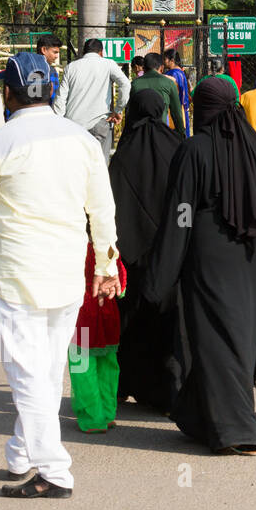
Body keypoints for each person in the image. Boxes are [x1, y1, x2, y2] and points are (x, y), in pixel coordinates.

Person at [0, 52, 120, 498]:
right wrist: (105, 265)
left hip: (18, 276)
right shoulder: (79, 139)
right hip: (67, 275)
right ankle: (22, 454)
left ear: (9, 93)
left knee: (25, 371)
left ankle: (55, 470)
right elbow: (101, 208)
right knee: (43, 369)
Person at [142, 77, 256, 454]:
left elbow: (182, 211)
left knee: (215, 338)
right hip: (254, 255)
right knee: (237, 333)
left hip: (210, 256)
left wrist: (167, 262)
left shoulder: (195, 149)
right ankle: (199, 417)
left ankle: (237, 431)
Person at [109, 87, 185, 413]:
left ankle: (124, 385)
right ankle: (168, 391)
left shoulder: (123, 154)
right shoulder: (178, 148)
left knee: (129, 321)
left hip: (132, 256)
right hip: (170, 255)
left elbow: (110, 204)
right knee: (166, 323)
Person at [68, 231, 128, 433]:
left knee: (82, 366)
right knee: (108, 364)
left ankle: (92, 417)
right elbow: (122, 284)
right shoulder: (109, 250)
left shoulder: (74, 248)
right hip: (108, 312)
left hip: (82, 313)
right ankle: (108, 413)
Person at [54, 37, 133, 163]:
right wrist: (118, 110)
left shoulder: (71, 67)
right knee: (100, 167)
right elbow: (126, 84)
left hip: (74, 125)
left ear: (84, 52)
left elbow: (60, 98)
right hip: (99, 123)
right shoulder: (108, 64)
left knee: (76, 166)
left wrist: (59, 122)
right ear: (101, 52)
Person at [131, 52, 186, 135]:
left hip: (140, 134)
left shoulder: (135, 84)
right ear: (162, 68)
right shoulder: (169, 83)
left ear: (144, 68)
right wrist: (181, 133)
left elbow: (131, 112)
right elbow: (176, 113)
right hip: (161, 132)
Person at [162, 47, 192, 137]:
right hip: (181, 109)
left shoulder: (174, 73)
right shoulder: (179, 72)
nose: (164, 61)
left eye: (165, 59)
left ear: (172, 60)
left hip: (176, 110)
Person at [35, 34, 62, 105]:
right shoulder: (51, 72)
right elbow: (54, 99)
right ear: (44, 50)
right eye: (55, 52)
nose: (56, 56)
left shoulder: (23, 68)